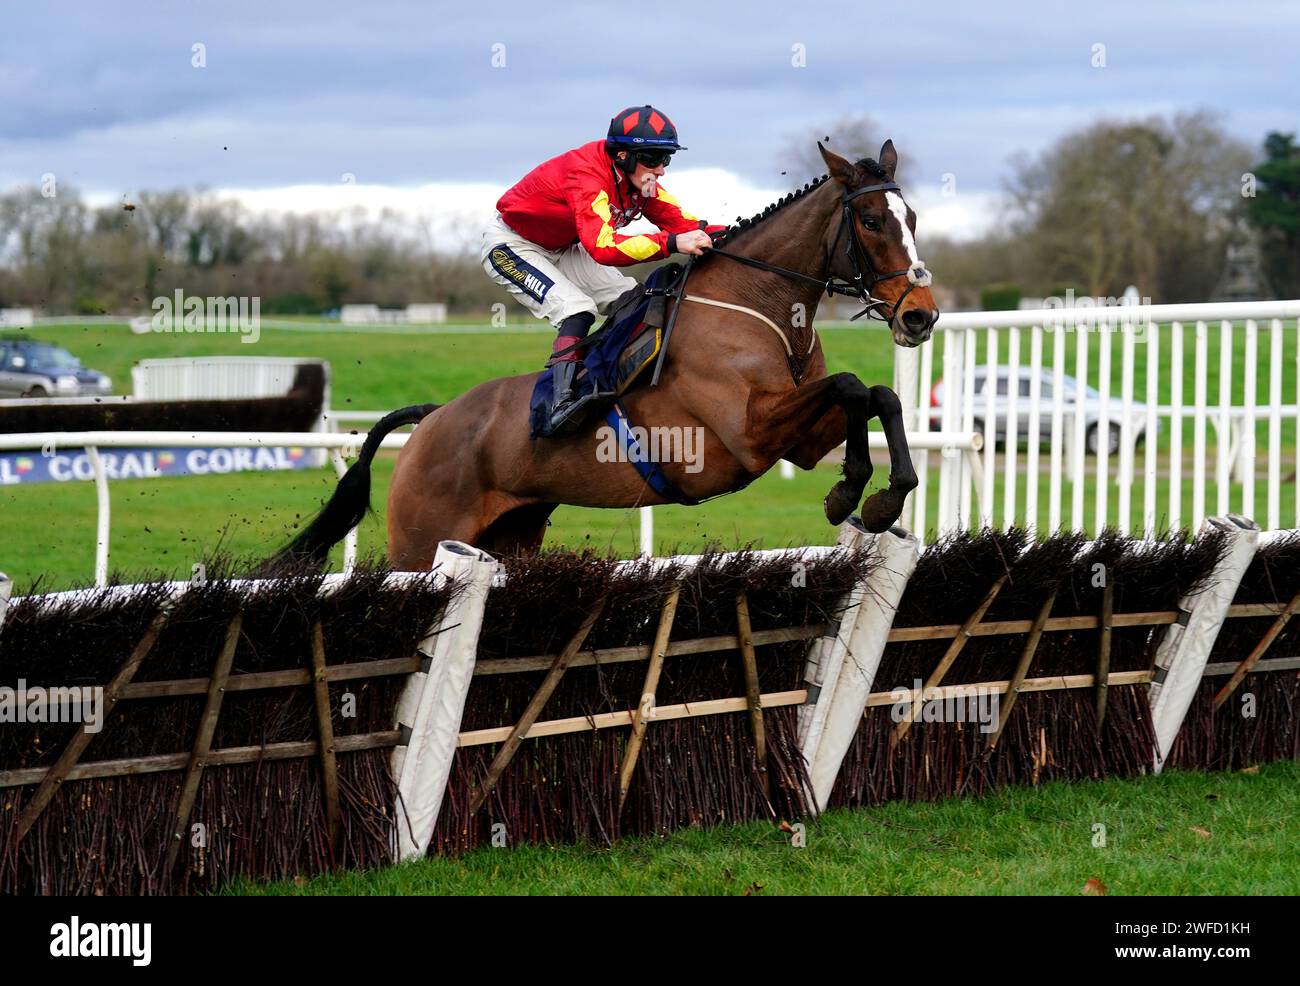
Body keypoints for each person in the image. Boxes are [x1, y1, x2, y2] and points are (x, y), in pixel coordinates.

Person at [482, 105, 722, 434]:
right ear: (622, 155)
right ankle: (560, 403)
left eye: (666, 159)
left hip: (564, 247)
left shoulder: (639, 179)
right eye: (653, 158)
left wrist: (741, 232)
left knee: (635, 302)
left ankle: (608, 377)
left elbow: (686, 225)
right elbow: (604, 247)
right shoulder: (586, 175)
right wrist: (669, 244)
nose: (661, 170)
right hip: (513, 246)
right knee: (577, 310)